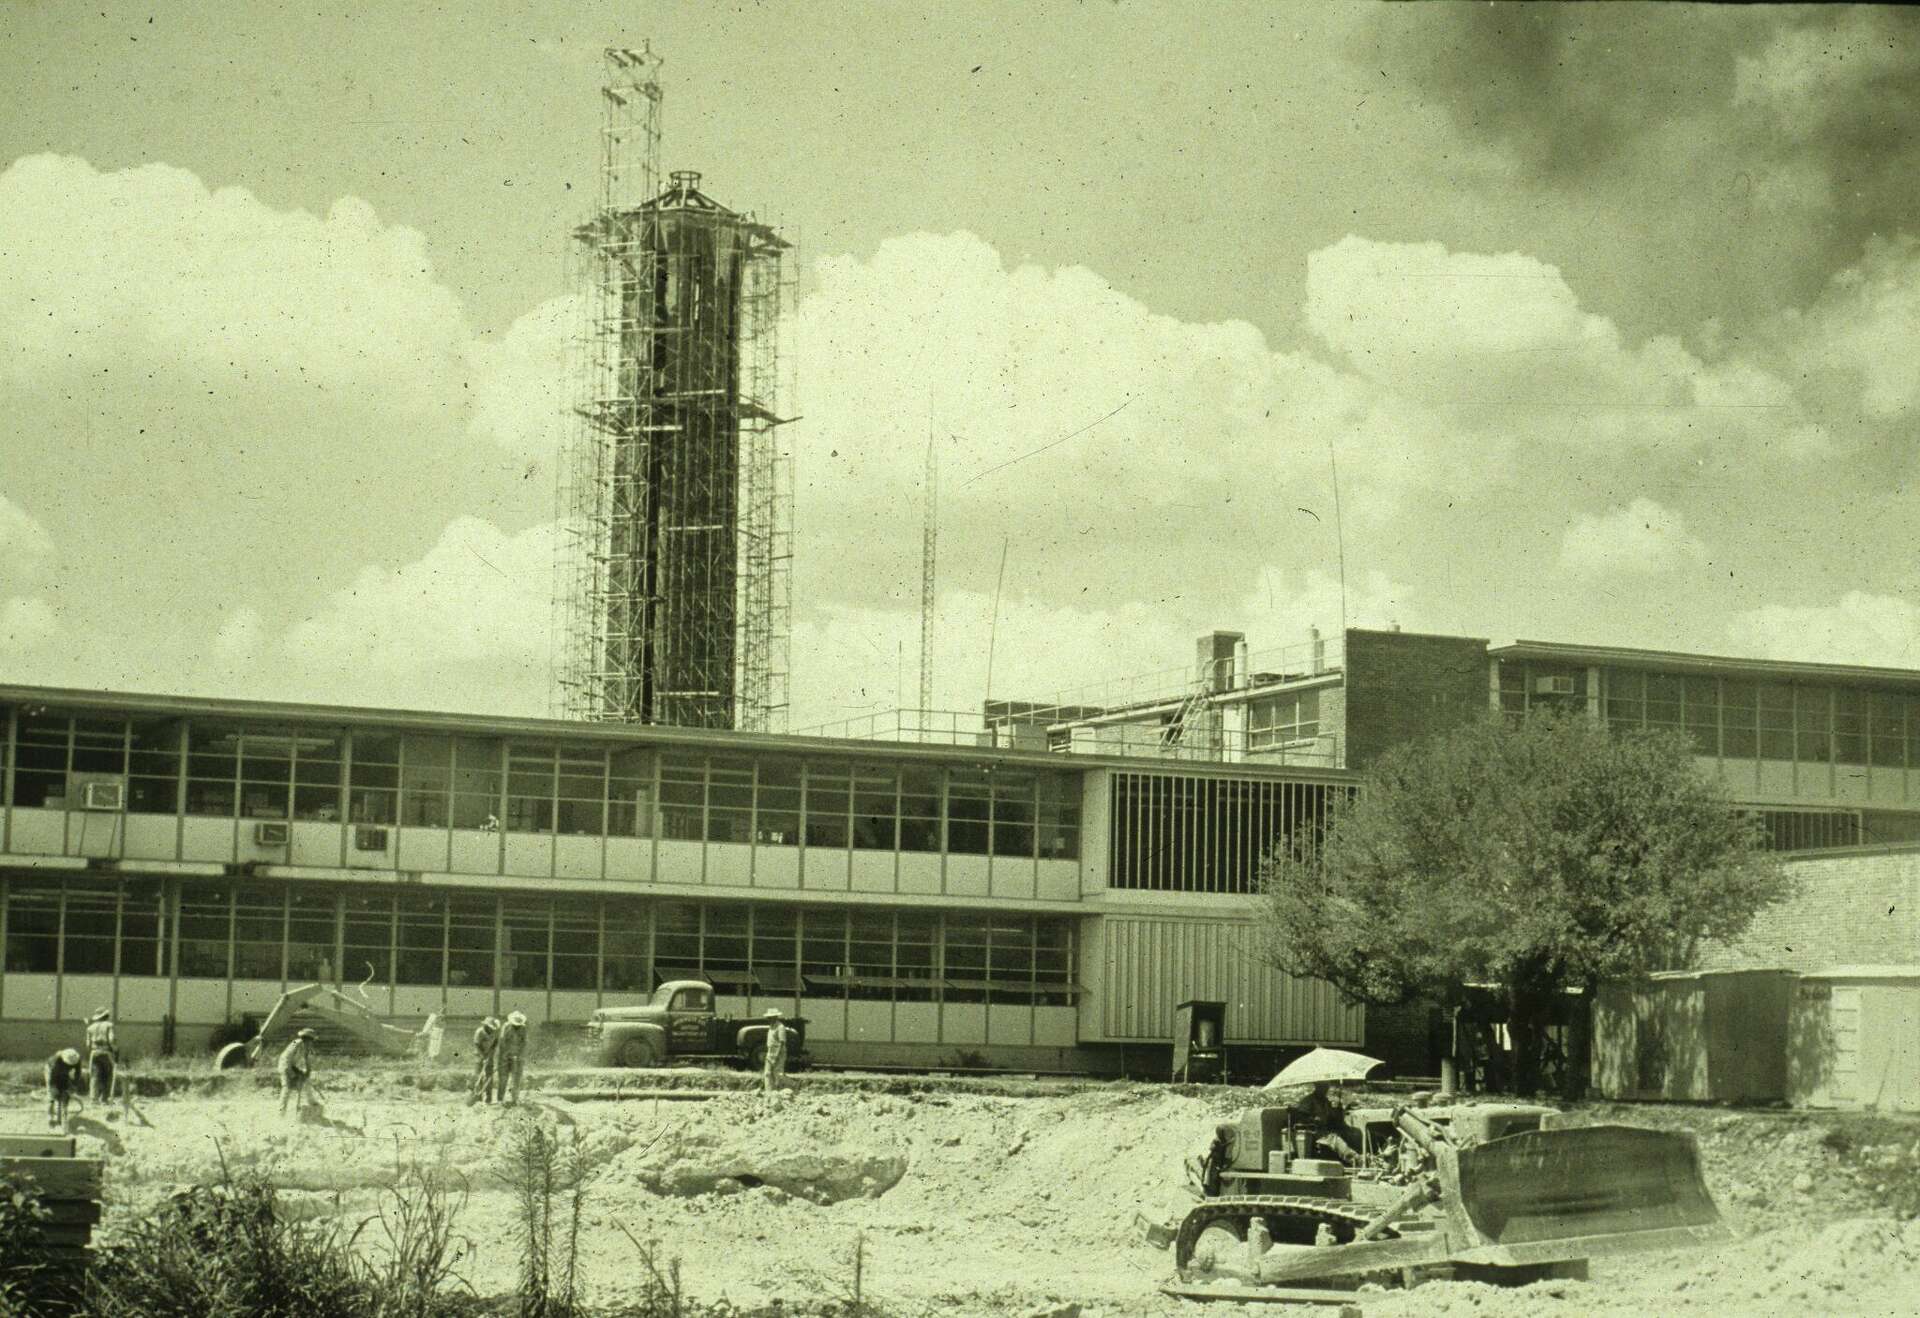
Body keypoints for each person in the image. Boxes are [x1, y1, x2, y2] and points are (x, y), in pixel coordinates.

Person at [1288, 1081, 1358, 1162]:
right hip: (1313, 1132)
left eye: (1326, 1087)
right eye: (1322, 1086)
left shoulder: (1325, 1101)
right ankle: (1355, 1160)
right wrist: (1313, 1119)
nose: (1325, 1089)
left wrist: (1339, 1109)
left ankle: (1362, 1154)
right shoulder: (1308, 1100)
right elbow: (1300, 1117)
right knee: (1334, 1140)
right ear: (1317, 1087)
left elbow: (1332, 1117)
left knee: (1352, 1133)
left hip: (1325, 1129)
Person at [277, 1027, 317, 1118]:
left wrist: (307, 1072)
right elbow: (286, 1057)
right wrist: (291, 1073)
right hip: (285, 1066)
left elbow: (307, 1060)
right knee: (287, 1088)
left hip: (292, 1065)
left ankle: (312, 1103)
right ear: (306, 1039)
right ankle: (281, 1113)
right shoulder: (295, 1043)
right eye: (311, 1040)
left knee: (306, 1082)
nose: (312, 1042)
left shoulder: (307, 1047)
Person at [85, 1007, 117, 1104]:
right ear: (106, 1016)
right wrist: (115, 1049)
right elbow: (111, 1039)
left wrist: (90, 1053)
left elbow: (87, 1044)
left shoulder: (89, 1028)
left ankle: (93, 1099)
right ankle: (105, 1099)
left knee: (94, 1076)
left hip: (94, 1052)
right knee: (108, 1075)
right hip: (106, 1052)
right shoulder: (109, 1025)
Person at [45, 1048, 83, 1131]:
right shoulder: (55, 1061)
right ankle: (50, 1118)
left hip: (64, 1073)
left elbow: (78, 1074)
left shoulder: (77, 1059)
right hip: (51, 1072)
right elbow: (52, 1080)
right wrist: (53, 1089)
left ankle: (62, 1119)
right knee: (52, 1096)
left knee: (65, 1095)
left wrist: (73, 1087)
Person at [495, 1011, 527, 1105]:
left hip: (517, 1056)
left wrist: (520, 1054)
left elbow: (524, 1043)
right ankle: (500, 1099)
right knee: (503, 1078)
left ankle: (514, 1099)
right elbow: (502, 1042)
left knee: (516, 1078)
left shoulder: (523, 1029)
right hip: (504, 1056)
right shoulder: (506, 1027)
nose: (517, 1026)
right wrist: (505, 1054)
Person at [470, 1015, 501, 1104]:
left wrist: (491, 1053)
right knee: (478, 1077)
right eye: (490, 1027)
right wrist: (483, 1056)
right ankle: (478, 1098)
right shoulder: (480, 1032)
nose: (492, 1029)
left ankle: (488, 1098)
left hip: (489, 1056)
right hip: (479, 1056)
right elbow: (476, 1045)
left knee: (489, 1077)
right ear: (486, 1025)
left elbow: (495, 1042)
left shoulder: (495, 1032)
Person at [760, 1008, 790, 1097]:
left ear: (775, 1017)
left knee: (778, 1074)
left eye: (771, 1017)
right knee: (767, 1073)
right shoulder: (771, 1027)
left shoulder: (780, 1027)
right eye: (768, 1017)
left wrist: (776, 1055)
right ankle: (769, 1092)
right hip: (770, 1052)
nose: (769, 1019)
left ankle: (793, 1085)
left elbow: (782, 1042)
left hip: (779, 1053)